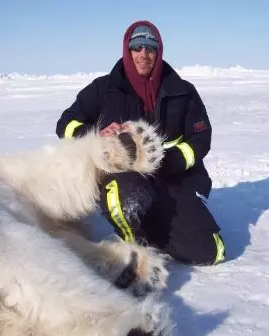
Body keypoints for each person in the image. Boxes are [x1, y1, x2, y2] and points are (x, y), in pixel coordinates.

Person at [56, 20, 225, 266]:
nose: (143, 54)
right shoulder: (103, 89)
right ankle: (132, 242)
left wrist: (167, 162)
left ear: (158, 51)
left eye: (150, 47)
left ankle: (154, 226)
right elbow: (66, 124)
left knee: (209, 252)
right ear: (127, 50)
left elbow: (201, 138)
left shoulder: (183, 91)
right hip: (125, 179)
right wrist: (97, 136)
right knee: (128, 196)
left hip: (173, 179)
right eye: (137, 47)